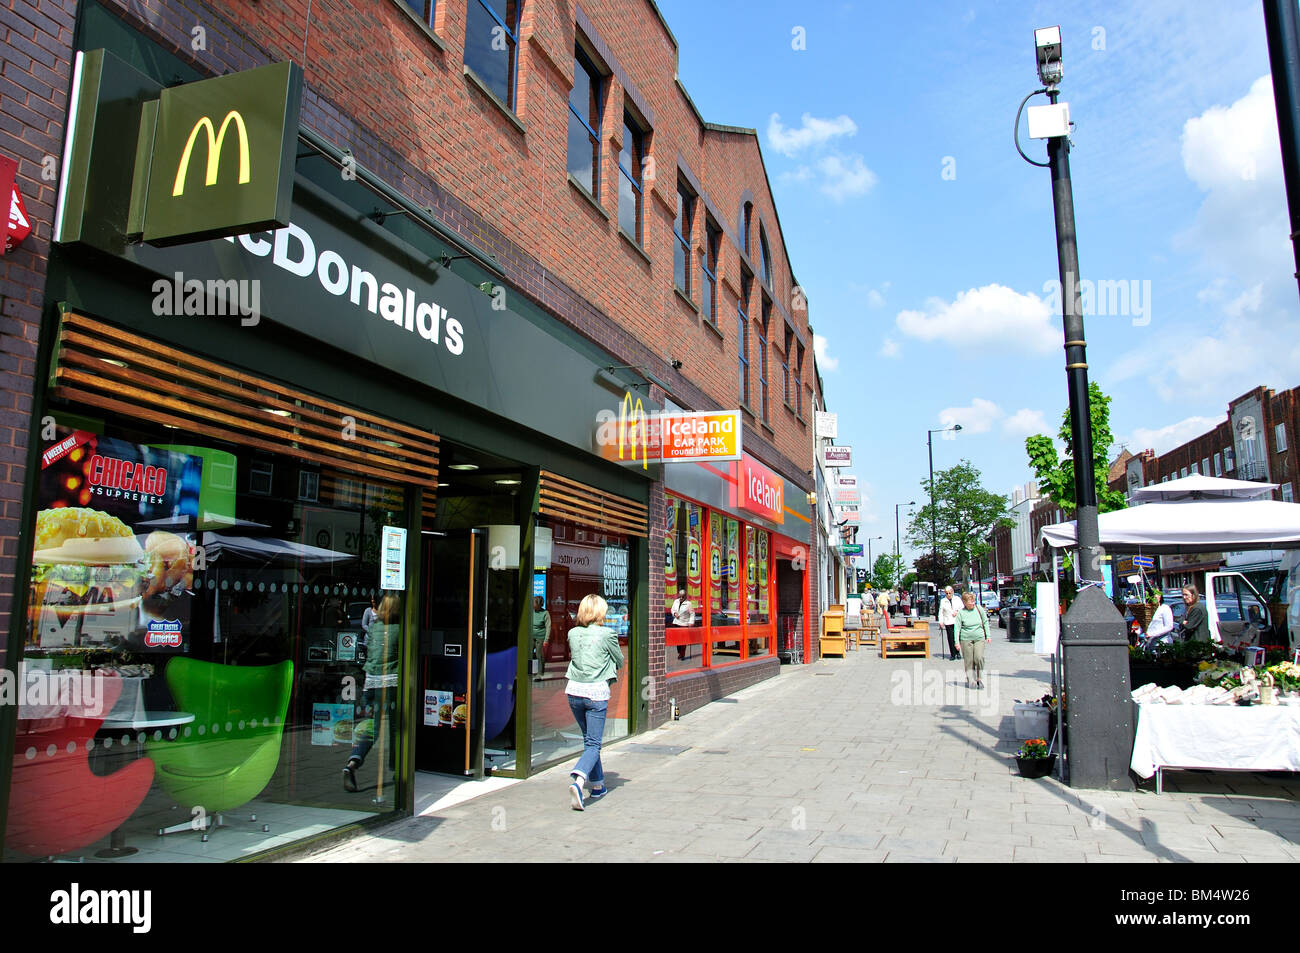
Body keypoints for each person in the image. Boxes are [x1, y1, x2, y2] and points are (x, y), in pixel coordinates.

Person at [565, 594, 624, 810]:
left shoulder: (572, 633)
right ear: (600, 612)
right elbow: (619, 659)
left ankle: (598, 785)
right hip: (596, 693)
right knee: (593, 743)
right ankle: (579, 781)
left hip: (573, 692)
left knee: (589, 740)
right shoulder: (607, 633)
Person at [343, 593, 402, 792]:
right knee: (393, 728)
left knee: (372, 727)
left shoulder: (375, 627)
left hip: (371, 683)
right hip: (390, 684)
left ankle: (353, 761)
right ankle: (396, 769)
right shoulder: (399, 629)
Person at [955, 590, 991, 689]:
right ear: (965, 602)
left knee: (979, 658)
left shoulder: (979, 609)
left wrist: (988, 635)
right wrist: (956, 642)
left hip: (979, 637)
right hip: (965, 639)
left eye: (973, 601)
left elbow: (985, 622)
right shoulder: (961, 613)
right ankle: (971, 679)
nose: (973, 603)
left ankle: (979, 678)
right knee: (969, 660)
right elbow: (957, 628)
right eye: (970, 601)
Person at [938, 585, 961, 660]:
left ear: (953, 592)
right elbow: (941, 612)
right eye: (947, 593)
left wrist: (957, 612)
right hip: (948, 621)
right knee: (950, 638)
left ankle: (958, 652)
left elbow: (962, 608)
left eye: (950, 593)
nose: (948, 595)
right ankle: (953, 654)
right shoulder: (943, 601)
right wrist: (941, 622)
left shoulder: (957, 599)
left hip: (957, 621)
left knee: (957, 637)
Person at [531, 595, 551, 679]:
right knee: (530, 654)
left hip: (540, 637)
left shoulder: (545, 613)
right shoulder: (531, 611)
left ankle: (540, 673)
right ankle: (531, 671)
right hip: (531, 636)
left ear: (539, 604)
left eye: (534, 603)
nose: (532, 604)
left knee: (539, 655)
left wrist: (546, 639)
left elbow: (548, 626)